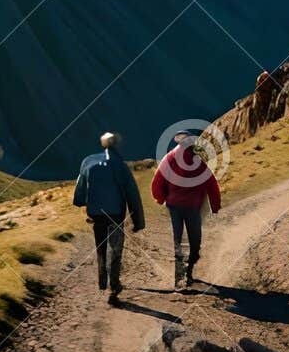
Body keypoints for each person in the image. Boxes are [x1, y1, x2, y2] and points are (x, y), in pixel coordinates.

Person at [72, 131, 145, 306]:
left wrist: (81, 202)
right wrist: (138, 221)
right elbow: (132, 194)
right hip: (115, 215)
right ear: (117, 145)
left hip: (96, 214)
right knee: (115, 250)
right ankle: (114, 286)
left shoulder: (88, 161)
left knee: (101, 247)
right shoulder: (120, 165)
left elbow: (80, 187)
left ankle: (102, 281)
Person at [150, 131, 222, 289]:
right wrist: (215, 205)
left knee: (178, 239)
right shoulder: (198, 161)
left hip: (174, 206)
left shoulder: (168, 158)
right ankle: (189, 270)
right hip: (192, 206)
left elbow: (157, 182)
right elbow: (211, 184)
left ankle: (179, 278)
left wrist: (160, 198)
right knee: (194, 237)